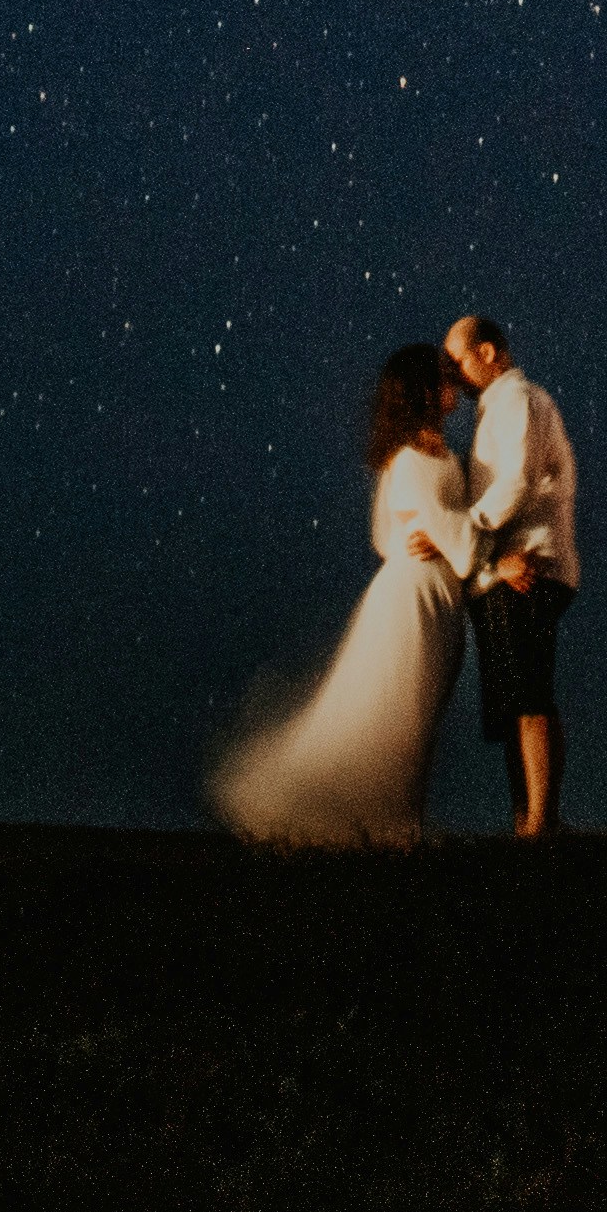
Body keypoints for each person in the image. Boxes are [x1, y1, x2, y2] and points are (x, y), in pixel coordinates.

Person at [208, 347, 483, 845]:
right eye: (443, 378)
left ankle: (405, 825)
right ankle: (397, 828)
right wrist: (442, 544)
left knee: (423, 717)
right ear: (421, 389)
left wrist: (431, 540)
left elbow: (403, 531)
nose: (454, 388)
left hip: (441, 594)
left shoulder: (441, 455)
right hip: (412, 598)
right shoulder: (408, 459)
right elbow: (412, 532)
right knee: (402, 714)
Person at [444, 312, 581, 837]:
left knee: (528, 697)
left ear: (486, 352)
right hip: (509, 569)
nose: (454, 370)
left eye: (458, 358)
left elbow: (521, 478)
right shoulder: (496, 409)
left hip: (530, 566)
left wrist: (470, 531)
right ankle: (529, 817)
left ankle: (539, 822)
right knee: (518, 700)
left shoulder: (520, 401)